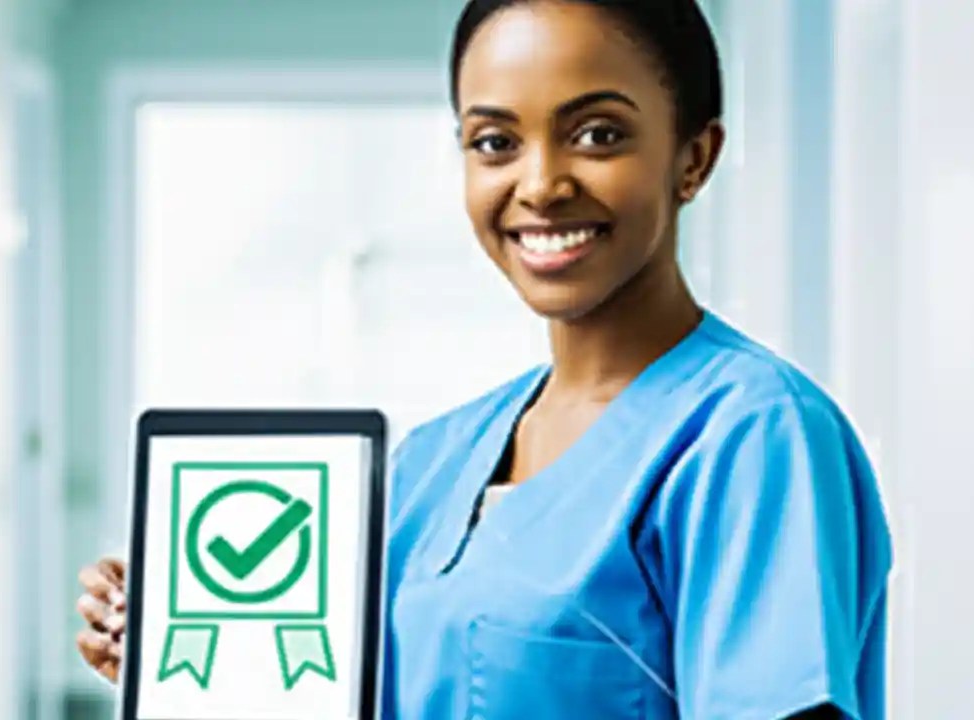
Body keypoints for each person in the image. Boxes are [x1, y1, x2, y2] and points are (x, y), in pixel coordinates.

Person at [76, 0, 893, 717]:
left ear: (694, 157)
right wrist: (198, 668)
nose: (540, 184)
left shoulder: (752, 437)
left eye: (597, 135)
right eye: (496, 141)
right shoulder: (433, 462)